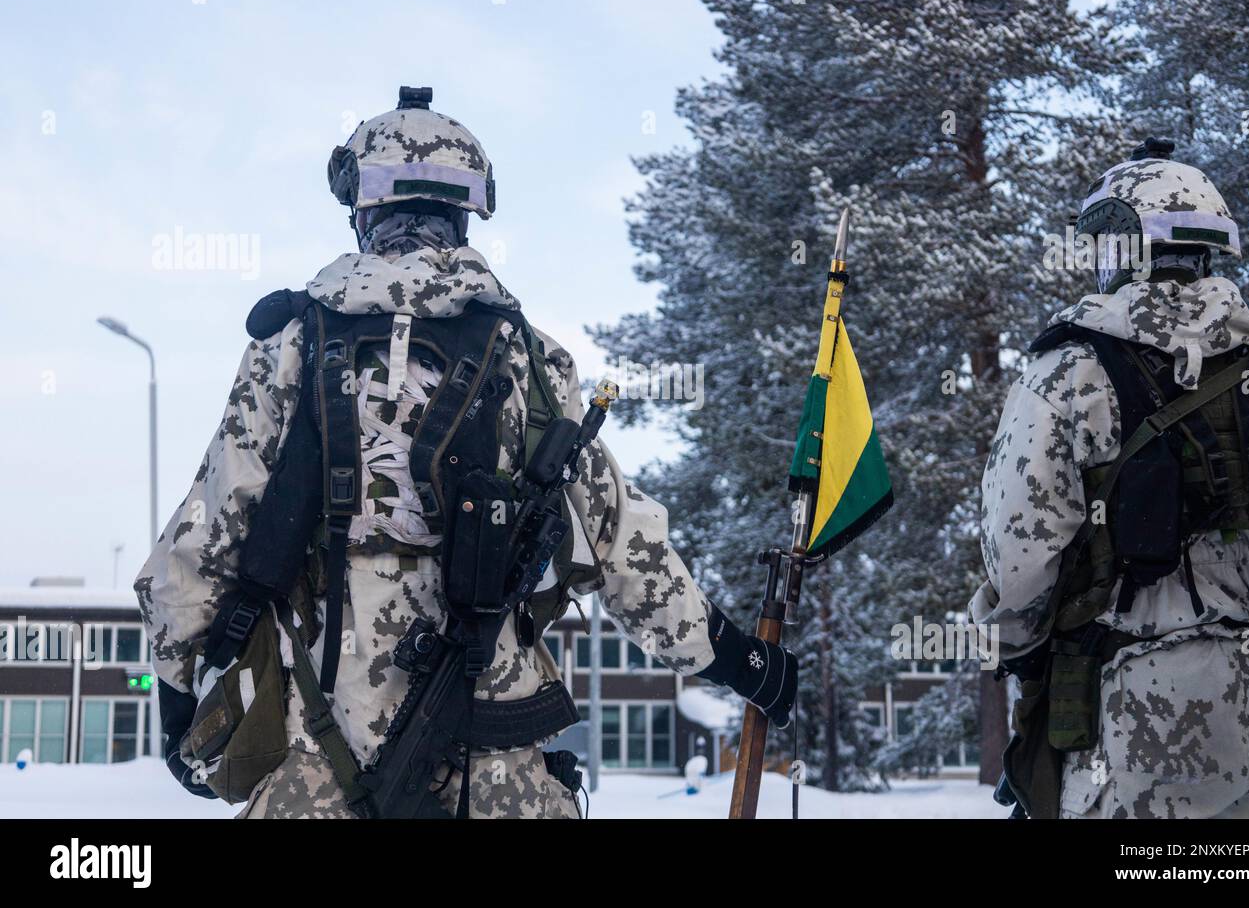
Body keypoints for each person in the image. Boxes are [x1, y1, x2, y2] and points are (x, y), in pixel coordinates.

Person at [134, 86, 796, 819]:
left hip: (311, 748)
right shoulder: (530, 359)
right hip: (492, 752)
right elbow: (620, 547)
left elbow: (203, 540)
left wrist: (175, 693)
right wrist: (736, 658)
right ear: (466, 213)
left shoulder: (287, 347)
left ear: (363, 211)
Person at [973, 137, 1249, 819]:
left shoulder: (1065, 377)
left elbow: (1021, 564)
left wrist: (1012, 651)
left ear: (1124, 250)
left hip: (1130, 717)